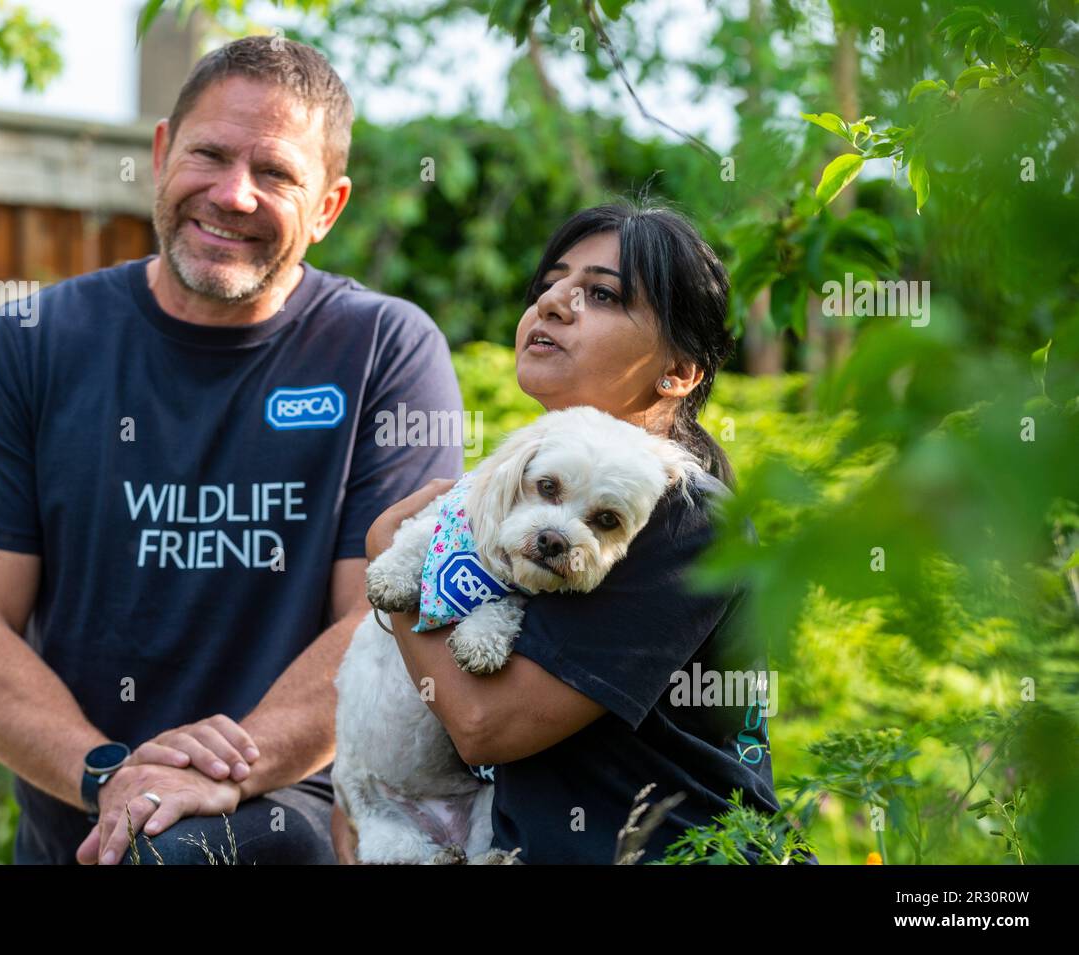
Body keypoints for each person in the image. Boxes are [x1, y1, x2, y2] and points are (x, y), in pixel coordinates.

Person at [0, 35, 463, 865]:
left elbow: (383, 620)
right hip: (80, 828)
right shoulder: (35, 342)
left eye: (276, 173)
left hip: (292, 815)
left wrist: (225, 770)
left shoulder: (385, 351)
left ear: (329, 205)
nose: (232, 193)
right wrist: (109, 772)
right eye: (207, 154)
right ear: (161, 153)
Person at [333, 199, 785, 864]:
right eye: (549, 284)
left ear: (678, 372)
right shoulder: (525, 488)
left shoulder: (683, 512)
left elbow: (486, 723)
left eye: (601, 294)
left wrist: (393, 561)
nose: (552, 303)